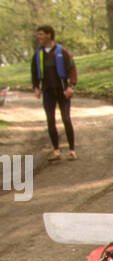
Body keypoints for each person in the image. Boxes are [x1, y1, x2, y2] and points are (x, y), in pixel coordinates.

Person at [31, 25, 77, 161]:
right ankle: (56, 151)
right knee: (50, 120)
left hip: (62, 91)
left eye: (41, 34)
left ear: (49, 35)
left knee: (66, 119)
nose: (38, 37)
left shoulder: (62, 51)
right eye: (38, 34)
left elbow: (72, 69)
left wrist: (71, 86)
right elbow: (34, 72)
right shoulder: (38, 54)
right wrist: (36, 87)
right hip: (48, 92)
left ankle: (72, 150)